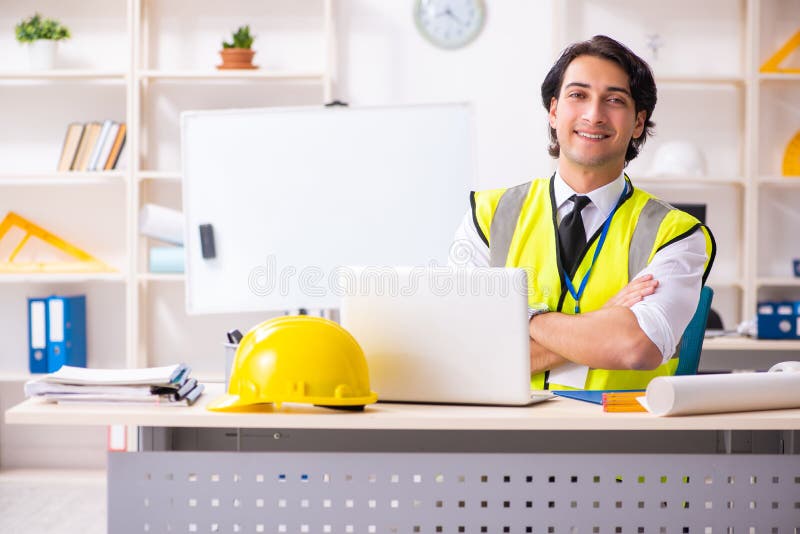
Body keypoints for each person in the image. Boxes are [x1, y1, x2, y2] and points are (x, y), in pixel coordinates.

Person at [450, 35, 715, 390]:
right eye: (578, 95)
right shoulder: (487, 215)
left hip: (621, 436)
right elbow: (464, 351)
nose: (594, 114)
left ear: (638, 123)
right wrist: (603, 319)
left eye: (614, 100)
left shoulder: (676, 233)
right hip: (505, 430)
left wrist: (521, 319)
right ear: (555, 111)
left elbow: (635, 347)